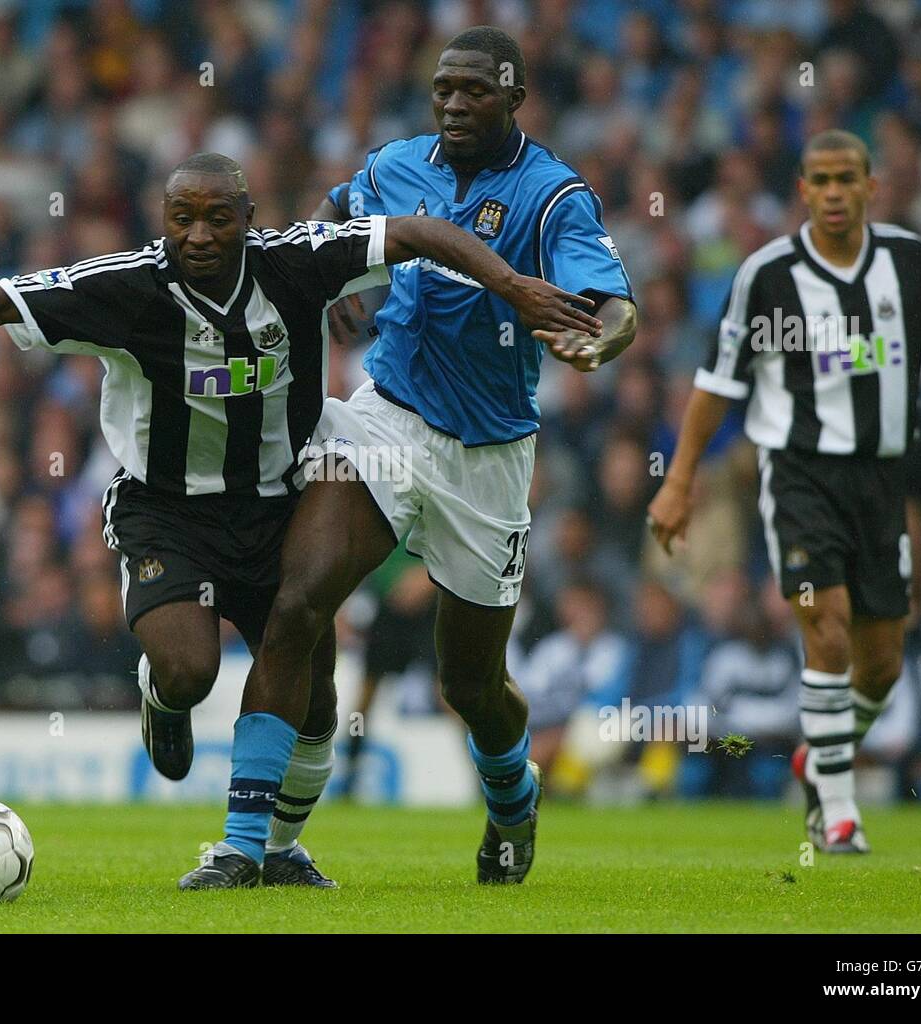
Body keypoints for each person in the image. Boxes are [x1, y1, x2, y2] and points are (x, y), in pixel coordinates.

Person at [0, 151, 598, 887]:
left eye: (219, 217)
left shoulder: (298, 265)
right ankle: (168, 708)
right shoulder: (125, 289)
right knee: (188, 669)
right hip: (167, 512)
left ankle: (272, 849)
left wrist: (510, 284)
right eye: (183, 219)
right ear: (162, 222)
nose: (201, 235)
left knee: (315, 692)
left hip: (278, 501)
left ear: (250, 218)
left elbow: (420, 230)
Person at [186, 26, 637, 890]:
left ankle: (512, 798)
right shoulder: (396, 163)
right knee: (298, 602)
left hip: (489, 456)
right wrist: (332, 286)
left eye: (474, 90)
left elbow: (614, 307)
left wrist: (599, 347)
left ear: (515, 97)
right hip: (384, 420)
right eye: (444, 89)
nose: (456, 104)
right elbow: (324, 222)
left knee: (469, 682)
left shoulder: (553, 197)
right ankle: (248, 844)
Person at [647, 129, 921, 853]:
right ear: (803, 190)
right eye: (821, 180)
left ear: (871, 186)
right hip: (800, 473)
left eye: (848, 179)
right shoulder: (767, 276)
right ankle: (837, 807)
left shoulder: (907, 261)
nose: (835, 193)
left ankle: (823, 751)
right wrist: (679, 481)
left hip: (882, 478)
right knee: (824, 620)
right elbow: (717, 386)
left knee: (882, 662)